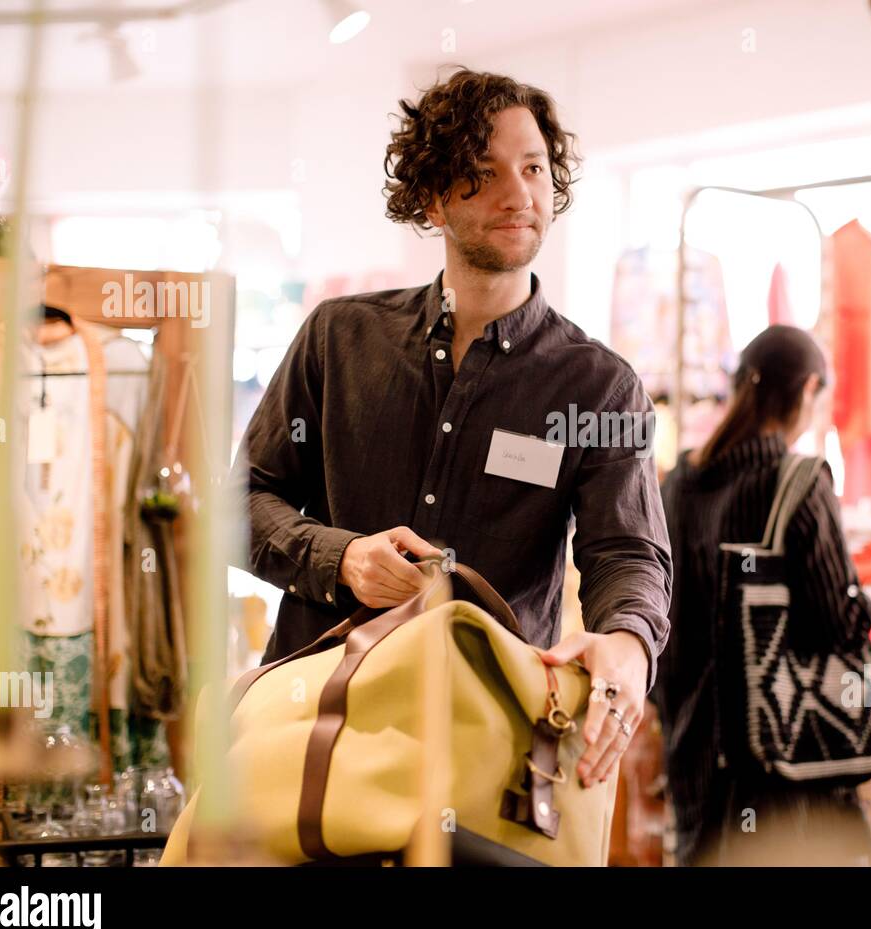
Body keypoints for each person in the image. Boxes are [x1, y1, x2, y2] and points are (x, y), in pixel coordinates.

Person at [235, 68, 672, 790]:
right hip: (313, 734)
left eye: (533, 168)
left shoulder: (599, 387)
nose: (518, 193)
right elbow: (241, 505)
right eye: (483, 172)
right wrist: (343, 558)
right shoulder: (339, 339)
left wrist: (627, 642)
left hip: (483, 751)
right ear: (434, 199)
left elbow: (628, 553)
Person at [655, 326, 871, 865]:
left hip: (690, 748)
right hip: (779, 763)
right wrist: (866, 593)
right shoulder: (801, 483)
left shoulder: (678, 483)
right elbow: (838, 622)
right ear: (808, 390)